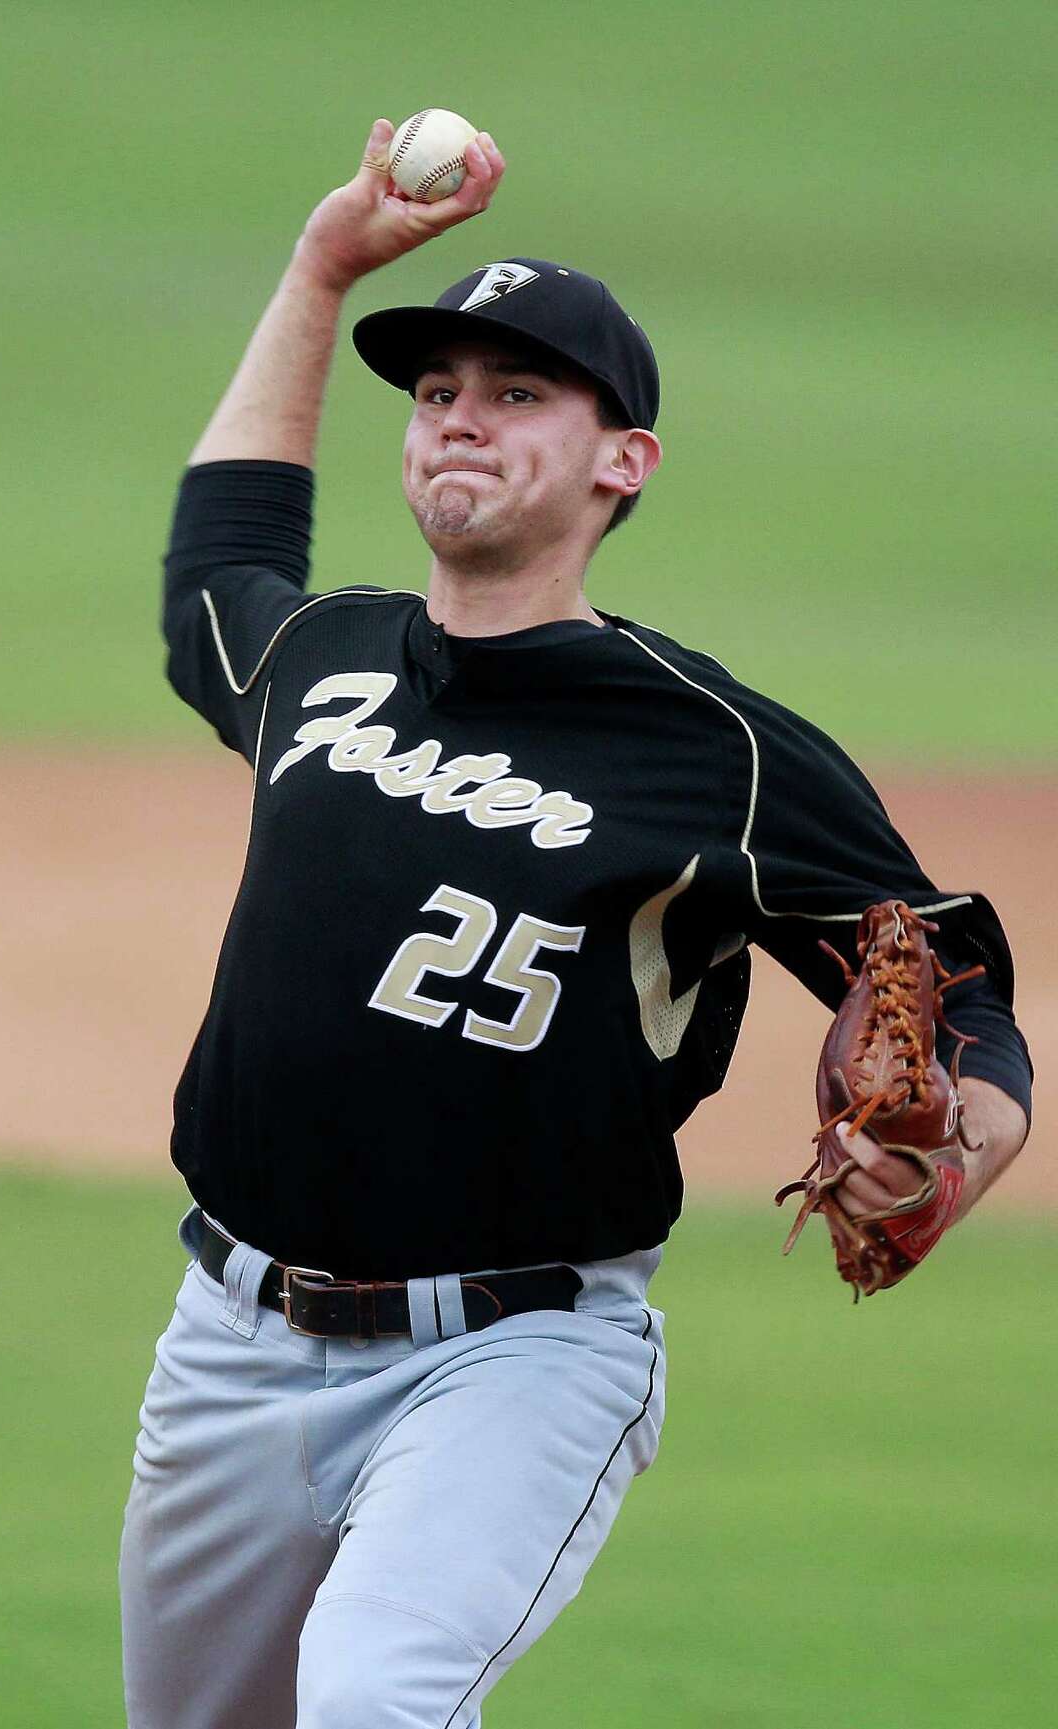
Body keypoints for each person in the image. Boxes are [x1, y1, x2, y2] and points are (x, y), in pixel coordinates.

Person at [119, 121, 1032, 1729]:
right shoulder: (327, 656)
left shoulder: (717, 748)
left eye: (519, 393)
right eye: (439, 395)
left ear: (626, 462)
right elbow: (221, 570)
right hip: (228, 1342)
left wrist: (965, 1147)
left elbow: (944, 968)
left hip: (516, 1353)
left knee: (379, 1700)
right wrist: (322, 271)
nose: (461, 420)